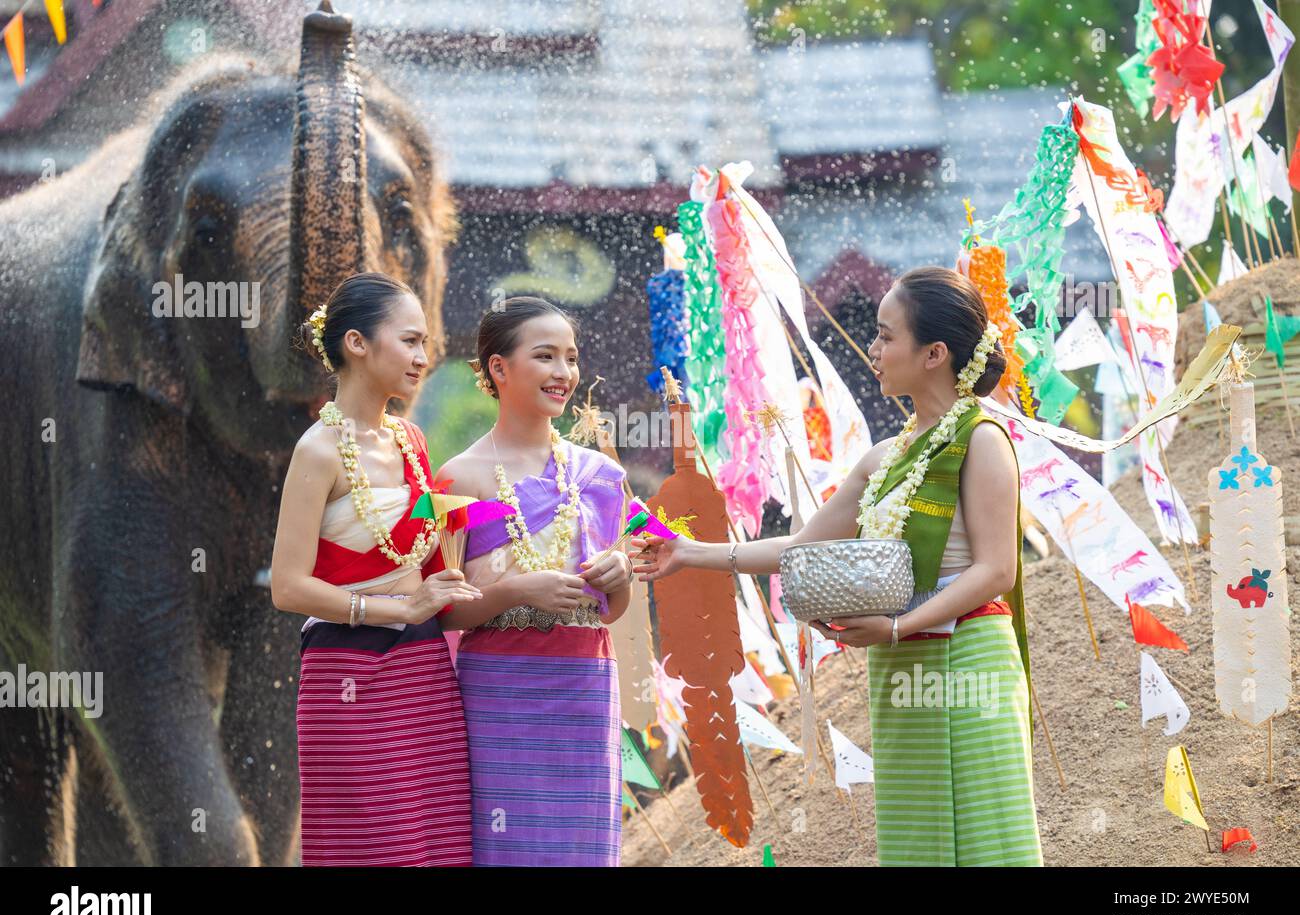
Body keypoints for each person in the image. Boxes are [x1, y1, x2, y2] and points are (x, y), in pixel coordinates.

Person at [635, 266, 1043, 866]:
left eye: (885, 336)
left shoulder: (983, 439)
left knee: (986, 829)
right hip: (901, 659)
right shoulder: (885, 457)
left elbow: (995, 571)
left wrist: (899, 626)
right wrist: (688, 553)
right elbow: (803, 547)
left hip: (968, 655)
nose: (873, 350)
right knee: (916, 830)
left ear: (934, 353)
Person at [271, 272, 483, 866]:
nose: (424, 357)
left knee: (437, 842)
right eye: (410, 341)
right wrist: (397, 608)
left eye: (425, 344)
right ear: (358, 344)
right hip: (349, 674)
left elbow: (427, 546)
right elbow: (288, 587)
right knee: (368, 845)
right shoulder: (317, 451)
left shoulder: (412, 441)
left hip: (424, 673)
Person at [435, 296, 632, 866]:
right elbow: (445, 611)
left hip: (586, 684)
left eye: (570, 358)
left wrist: (617, 581)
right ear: (499, 369)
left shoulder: (599, 475)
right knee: (507, 844)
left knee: (582, 847)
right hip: (501, 689)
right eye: (545, 356)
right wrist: (516, 591)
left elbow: (610, 609)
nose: (564, 373)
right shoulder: (460, 476)